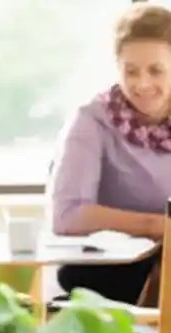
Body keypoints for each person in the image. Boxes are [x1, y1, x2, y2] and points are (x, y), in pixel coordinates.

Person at [51, 4, 171, 305]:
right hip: (112, 270)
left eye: (155, 71)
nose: (142, 84)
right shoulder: (92, 121)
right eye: (130, 71)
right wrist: (158, 226)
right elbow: (67, 215)